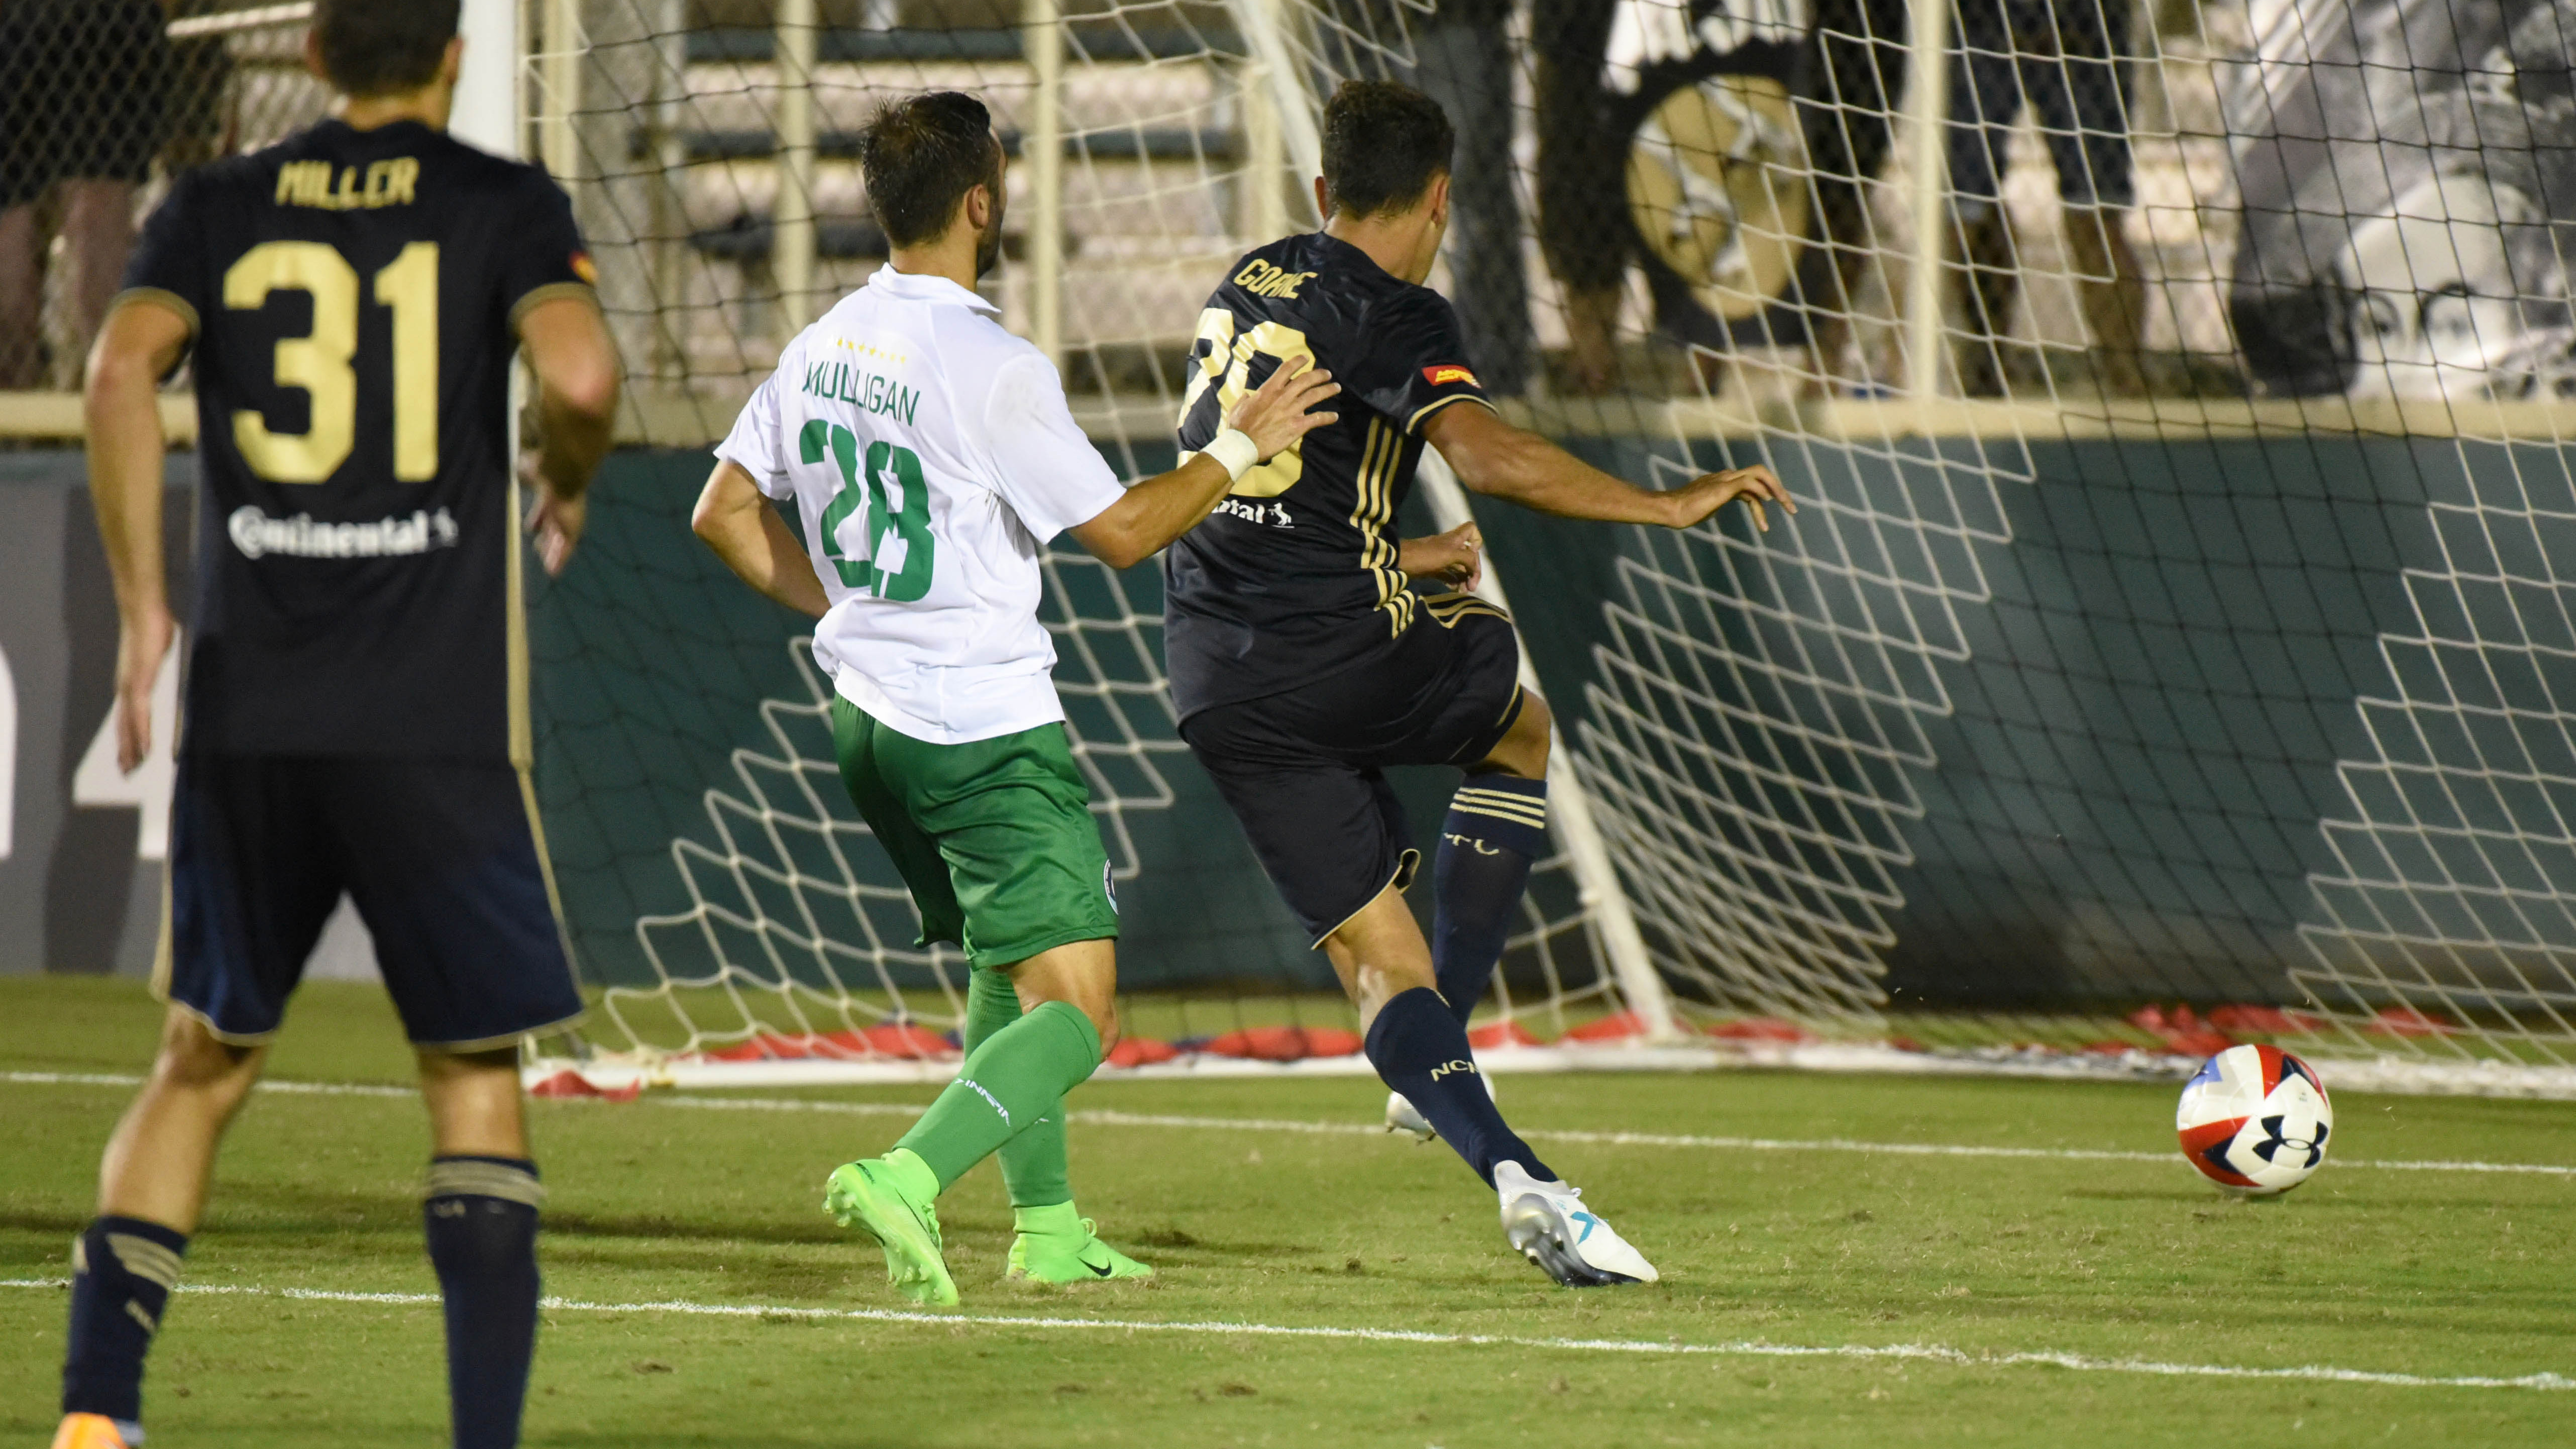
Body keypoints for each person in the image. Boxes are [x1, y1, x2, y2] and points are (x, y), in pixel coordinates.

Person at [57, 3, 620, 1446]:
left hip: (255, 706)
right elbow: (579, 374)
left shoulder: (220, 203)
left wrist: (142, 614)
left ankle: (96, 1419)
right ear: (450, 56)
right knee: (472, 1067)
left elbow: (118, 370)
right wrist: (564, 473)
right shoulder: (499, 202)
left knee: (205, 1053)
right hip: (431, 715)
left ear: (311, 56)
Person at [688, 90, 1338, 1307]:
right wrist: (1241, 444)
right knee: (1082, 1009)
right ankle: (906, 1173)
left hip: (866, 723)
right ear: (982, 201)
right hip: (979, 732)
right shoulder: (990, 365)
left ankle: (1045, 1227)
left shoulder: (821, 341)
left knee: (1008, 963)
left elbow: (720, 512)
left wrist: (848, 611)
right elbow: (1128, 532)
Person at [1166, 79, 1793, 1287]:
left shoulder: (1249, 279)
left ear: (1319, 191)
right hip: (1332, 652)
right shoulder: (1398, 312)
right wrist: (1661, 501)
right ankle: (1455, 1036)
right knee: (1514, 718)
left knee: (1379, 972)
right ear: (1443, 199)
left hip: (1213, 677)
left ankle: (1519, 1173)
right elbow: (1491, 456)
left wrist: (1388, 552)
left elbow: (1247, 494)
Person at [1947, 0, 2148, 396]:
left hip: (2084, 28)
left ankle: (2128, 381)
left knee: (2095, 217)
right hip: (1983, 25)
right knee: (1965, 212)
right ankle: (1984, 367)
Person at [0, 0, 176, 388]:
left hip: (104, 39)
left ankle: (100, 392)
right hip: (29, 41)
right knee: (17, 250)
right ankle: (23, 407)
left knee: (96, 230)